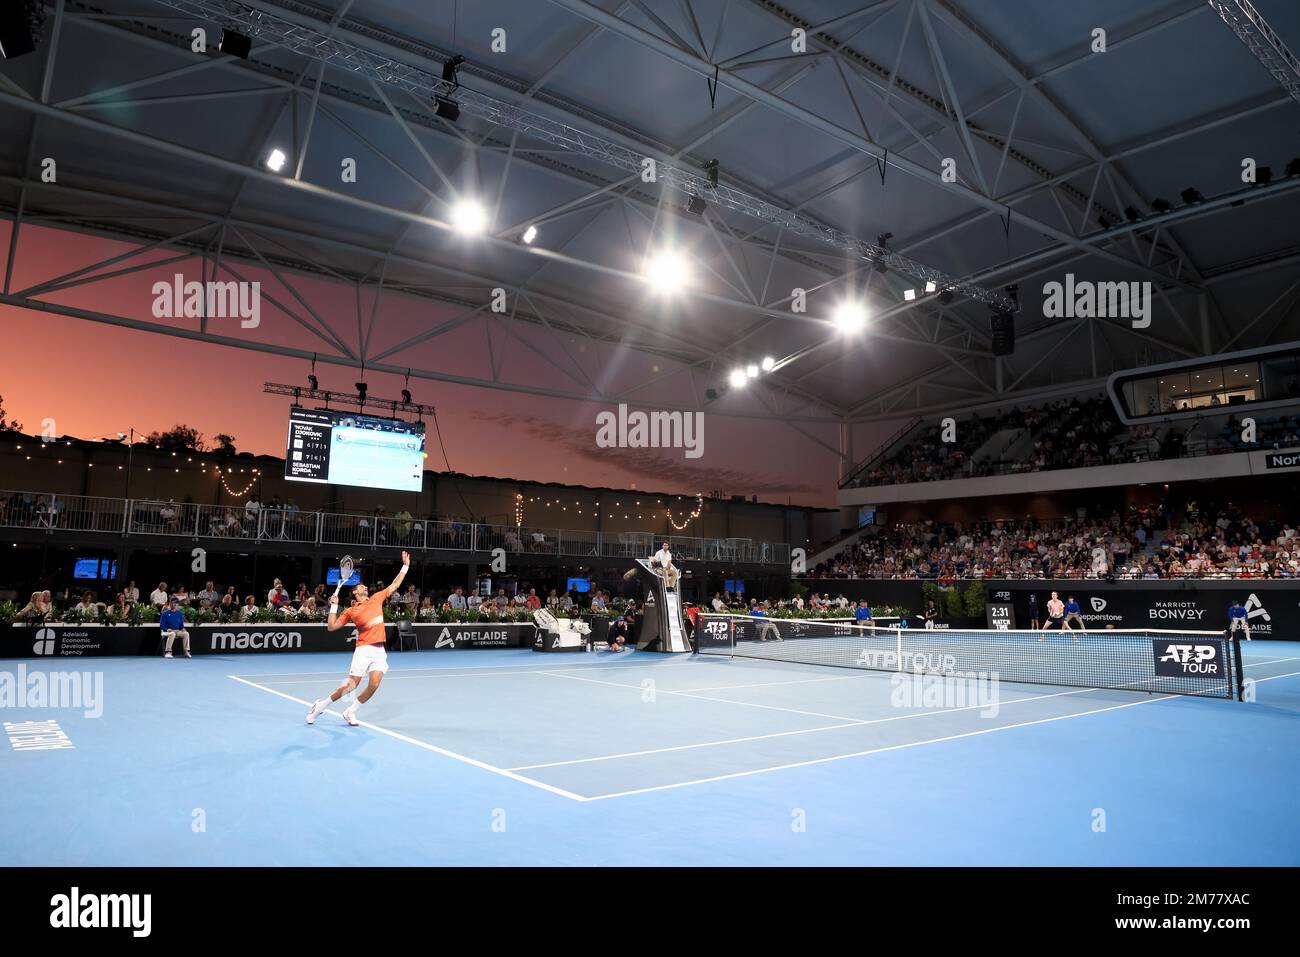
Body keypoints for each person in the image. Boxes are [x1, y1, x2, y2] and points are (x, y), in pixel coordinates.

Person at [306, 551, 412, 728]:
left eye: (364, 586)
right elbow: (331, 627)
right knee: (351, 685)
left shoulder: (377, 598)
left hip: (379, 650)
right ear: (355, 592)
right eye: (361, 587)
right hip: (363, 649)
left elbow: (395, 584)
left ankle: (350, 711)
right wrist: (334, 607)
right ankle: (321, 705)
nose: (365, 588)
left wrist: (406, 566)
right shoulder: (351, 611)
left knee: (374, 684)